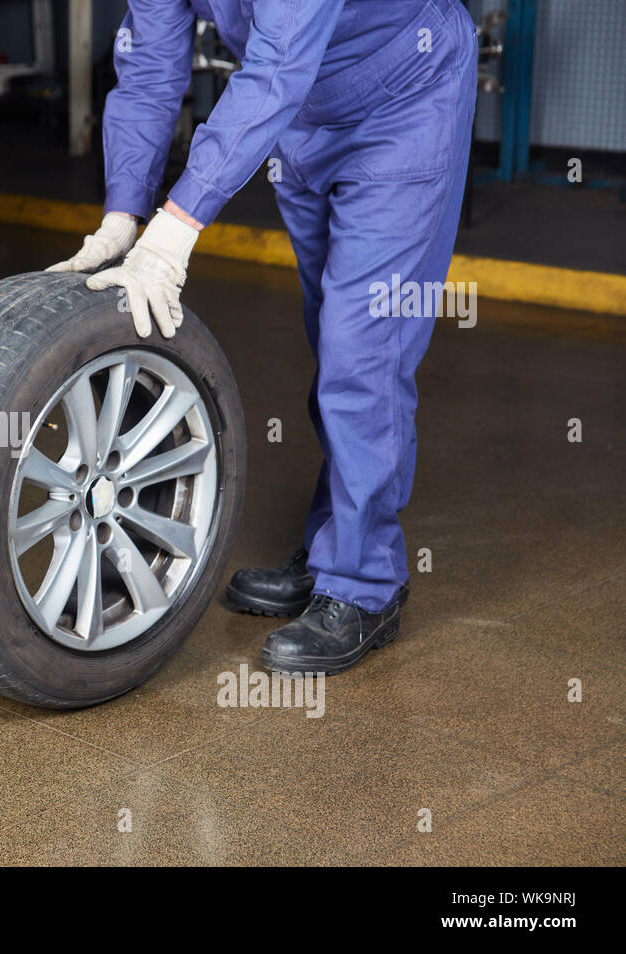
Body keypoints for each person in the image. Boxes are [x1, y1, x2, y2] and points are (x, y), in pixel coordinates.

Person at [48, 0, 478, 674]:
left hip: (404, 99)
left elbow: (277, 66)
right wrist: (123, 213)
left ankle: (364, 584)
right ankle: (334, 546)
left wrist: (175, 231)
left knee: (363, 348)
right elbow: (152, 70)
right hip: (303, 116)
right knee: (330, 336)